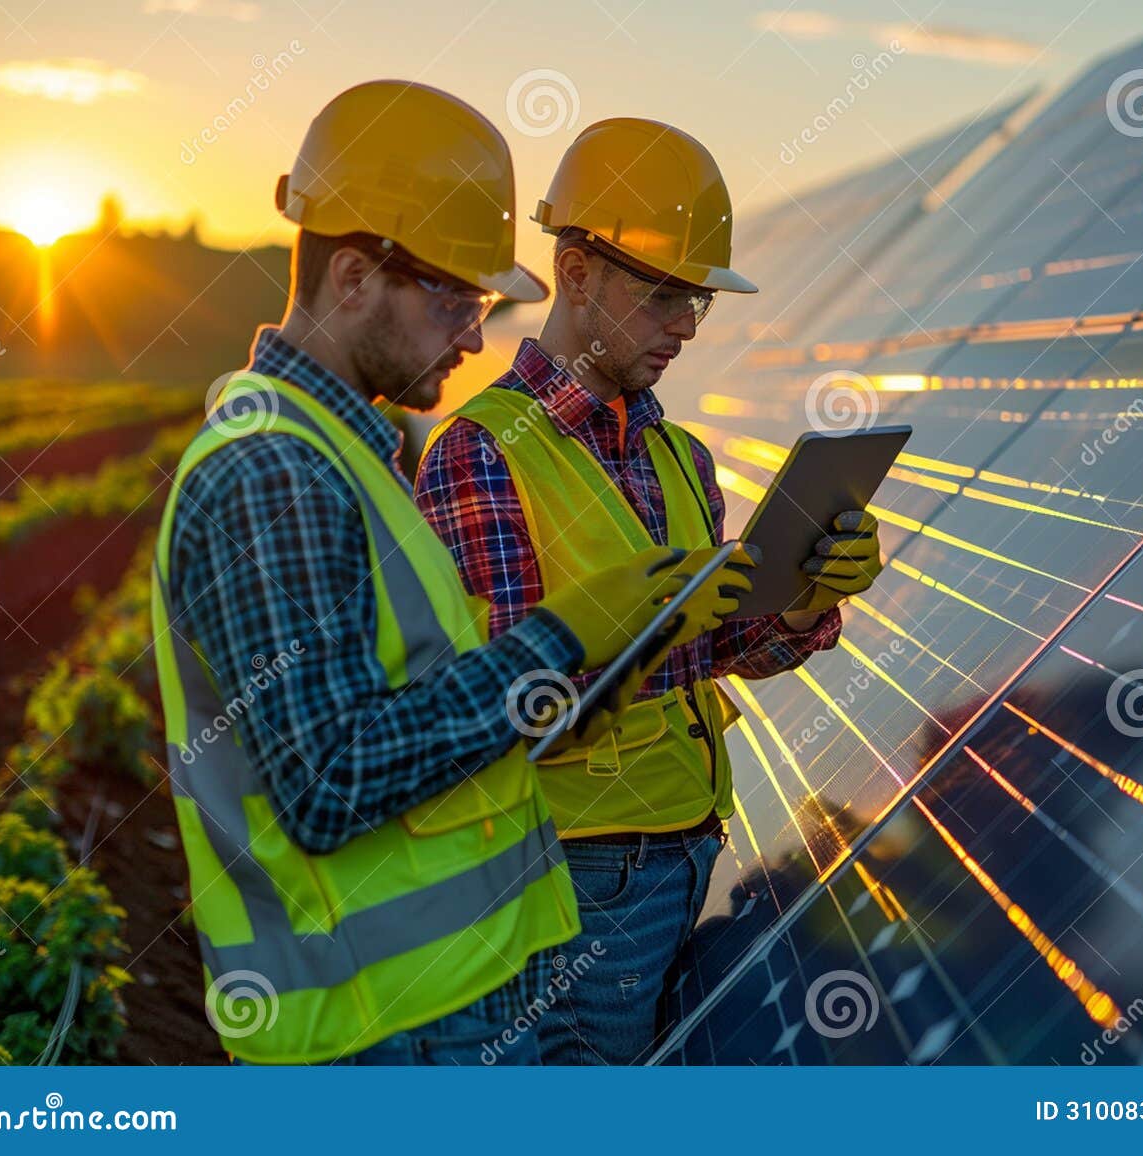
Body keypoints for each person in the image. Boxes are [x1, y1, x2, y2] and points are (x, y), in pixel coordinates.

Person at [151, 84, 748, 1066]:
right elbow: (330, 780)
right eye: (454, 301)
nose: (474, 338)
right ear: (353, 276)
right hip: (379, 1024)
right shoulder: (272, 471)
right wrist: (564, 637)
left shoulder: (345, 458)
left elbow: (427, 702)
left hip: (439, 998)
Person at [417, 118, 885, 1064]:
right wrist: (648, 628)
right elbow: (513, 709)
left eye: (697, 301)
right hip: (576, 873)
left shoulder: (680, 457)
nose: (687, 326)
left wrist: (801, 600)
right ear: (577, 273)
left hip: (690, 851)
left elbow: (722, 650)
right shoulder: (482, 453)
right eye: (664, 294)